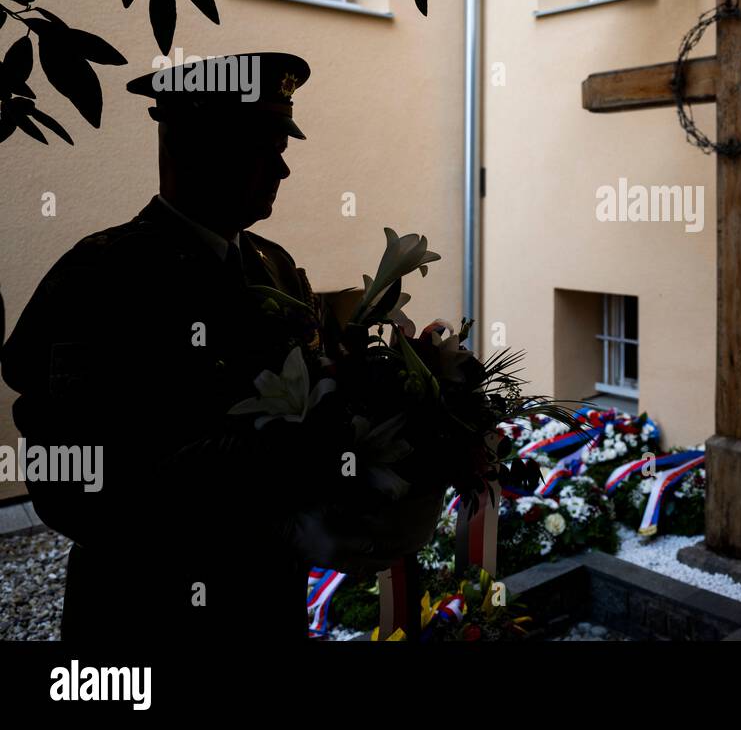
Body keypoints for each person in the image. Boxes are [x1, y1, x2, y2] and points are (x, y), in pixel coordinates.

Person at [1, 52, 436, 640]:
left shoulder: (275, 266)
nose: (283, 170)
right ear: (193, 148)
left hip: (264, 606)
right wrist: (263, 517)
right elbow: (71, 484)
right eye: (263, 146)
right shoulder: (103, 276)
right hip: (145, 612)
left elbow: (320, 410)